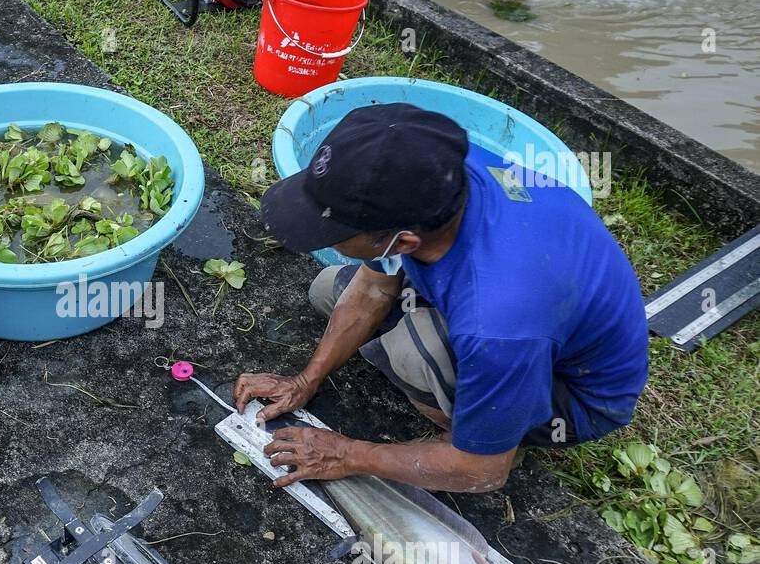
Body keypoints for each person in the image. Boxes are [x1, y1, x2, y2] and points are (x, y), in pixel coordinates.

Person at [235, 103, 648, 493]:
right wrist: (306, 381)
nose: (323, 238)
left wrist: (344, 453)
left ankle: (493, 436)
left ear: (403, 240)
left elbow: (484, 474)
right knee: (329, 287)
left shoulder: (501, 323)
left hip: (571, 393)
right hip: (512, 305)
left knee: (414, 351)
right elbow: (374, 286)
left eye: (335, 233)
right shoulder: (433, 172)